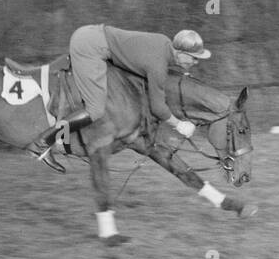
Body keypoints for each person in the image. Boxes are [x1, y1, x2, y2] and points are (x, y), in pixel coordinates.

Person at [31, 27, 212, 172]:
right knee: (95, 110)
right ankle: (41, 143)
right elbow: (158, 107)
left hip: (90, 36)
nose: (195, 62)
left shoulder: (164, 42)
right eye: (194, 58)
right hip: (89, 48)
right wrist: (179, 125)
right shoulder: (158, 64)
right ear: (180, 53)